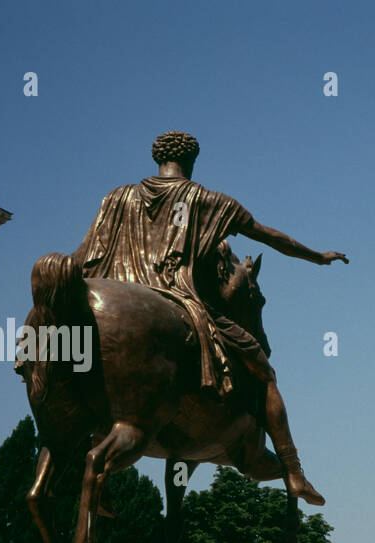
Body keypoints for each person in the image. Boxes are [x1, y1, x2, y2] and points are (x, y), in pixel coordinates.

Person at [68, 131, 346, 505]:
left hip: (110, 300)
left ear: (157, 159)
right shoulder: (209, 201)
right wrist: (317, 256)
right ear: (193, 161)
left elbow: (80, 256)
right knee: (265, 376)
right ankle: (293, 472)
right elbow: (270, 237)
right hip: (181, 299)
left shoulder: (117, 197)